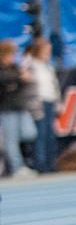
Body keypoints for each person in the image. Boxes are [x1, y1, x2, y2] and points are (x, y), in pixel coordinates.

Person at [21, 40, 59, 173]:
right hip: (38, 104)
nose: (48, 53)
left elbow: (54, 84)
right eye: (45, 50)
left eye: (49, 51)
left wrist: (58, 101)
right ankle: (40, 164)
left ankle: (50, 163)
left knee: (50, 134)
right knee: (40, 135)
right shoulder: (30, 64)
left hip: (50, 101)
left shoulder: (48, 66)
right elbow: (24, 80)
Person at [0, 41, 34, 178]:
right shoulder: (3, 69)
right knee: (11, 140)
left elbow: (22, 81)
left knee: (29, 133)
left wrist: (20, 80)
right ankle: (16, 167)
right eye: (10, 53)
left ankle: (20, 164)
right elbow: (4, 79)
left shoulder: (14, 67)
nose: (13, 56)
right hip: (6, 108)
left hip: (20, 106)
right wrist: (19, 78)